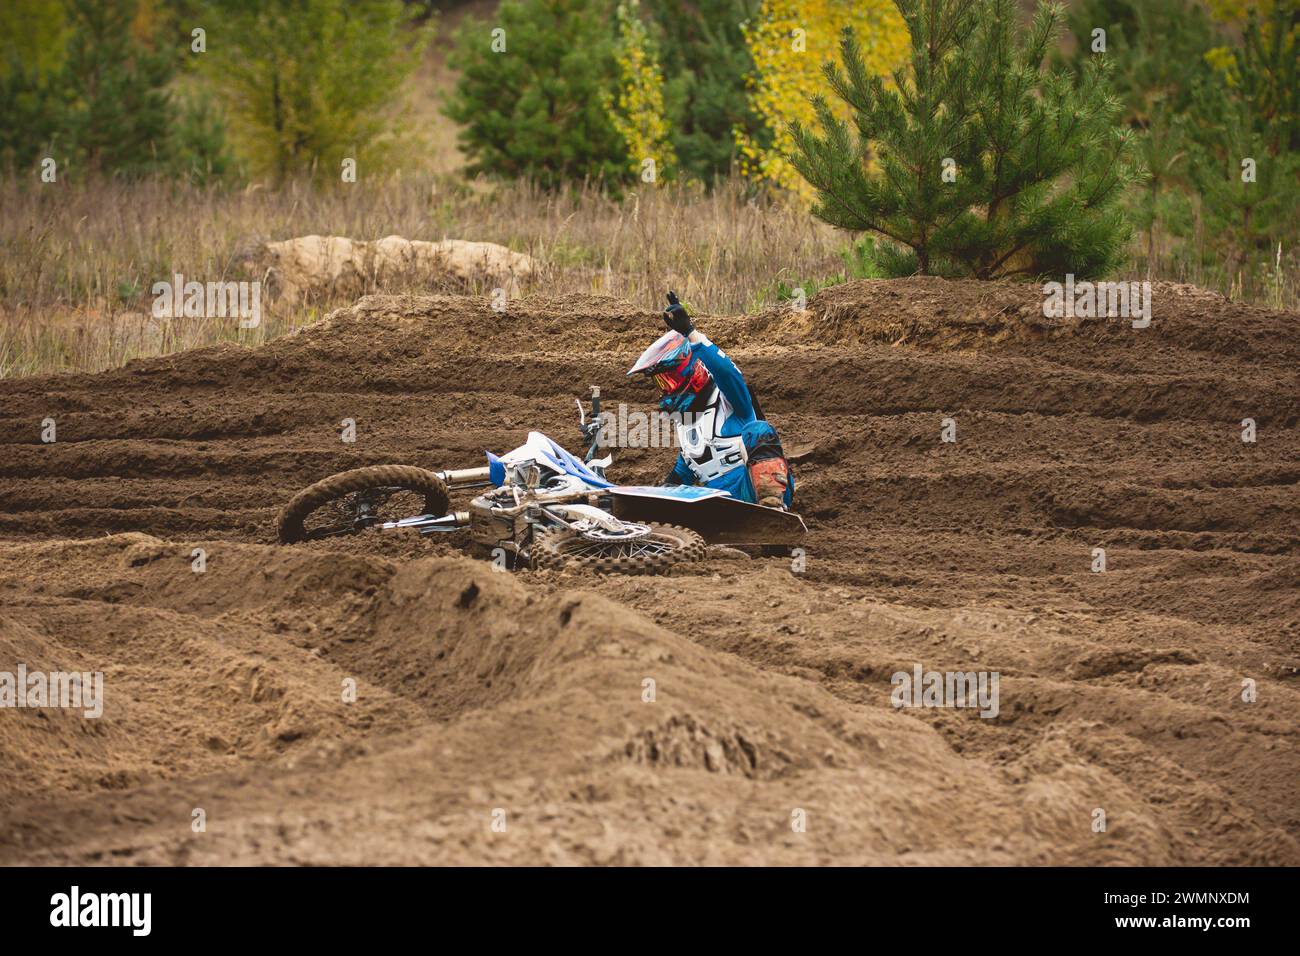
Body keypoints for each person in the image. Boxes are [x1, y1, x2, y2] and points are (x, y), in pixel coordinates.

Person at [627, 292, 794, 508]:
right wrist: (649, 505)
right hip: (722, 505)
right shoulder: (685, 425)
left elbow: (726, 372)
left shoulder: (731, 400)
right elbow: (681, 474)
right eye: (661, 383)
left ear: (692, 370)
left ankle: (773, 509)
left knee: (759, 430)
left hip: (753, 490)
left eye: (670, 380)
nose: (667, 389)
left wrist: (691, 333)